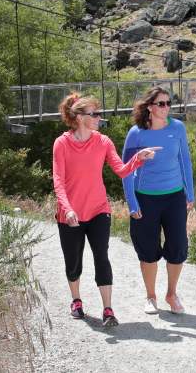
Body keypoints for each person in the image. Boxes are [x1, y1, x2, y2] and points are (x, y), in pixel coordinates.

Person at [52, 92, 155, 327]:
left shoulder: (103, 141)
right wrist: (67, 209)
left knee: (102, 256)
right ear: (79, 117)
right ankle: (76, 300)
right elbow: (58, 180)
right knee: (73, 260)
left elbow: (121, 170)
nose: (99, 117)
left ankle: (108, 310)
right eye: (94, 114)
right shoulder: (62, 143)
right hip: (70, 214)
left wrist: (138, 159)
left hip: (99, 209)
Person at [122, 86, 196, 315]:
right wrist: (132, 204)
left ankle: (171, 294)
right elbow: (125, 170)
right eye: (161, 104)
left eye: (168, 103)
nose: (166, 108)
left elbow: (185, 161)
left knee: (178, 247)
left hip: (174, 197)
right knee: (148, 250)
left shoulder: (178, 128)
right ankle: (151, 297)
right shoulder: (136, 133)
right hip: (145, 198)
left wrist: (190, 193)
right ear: (150, 108)